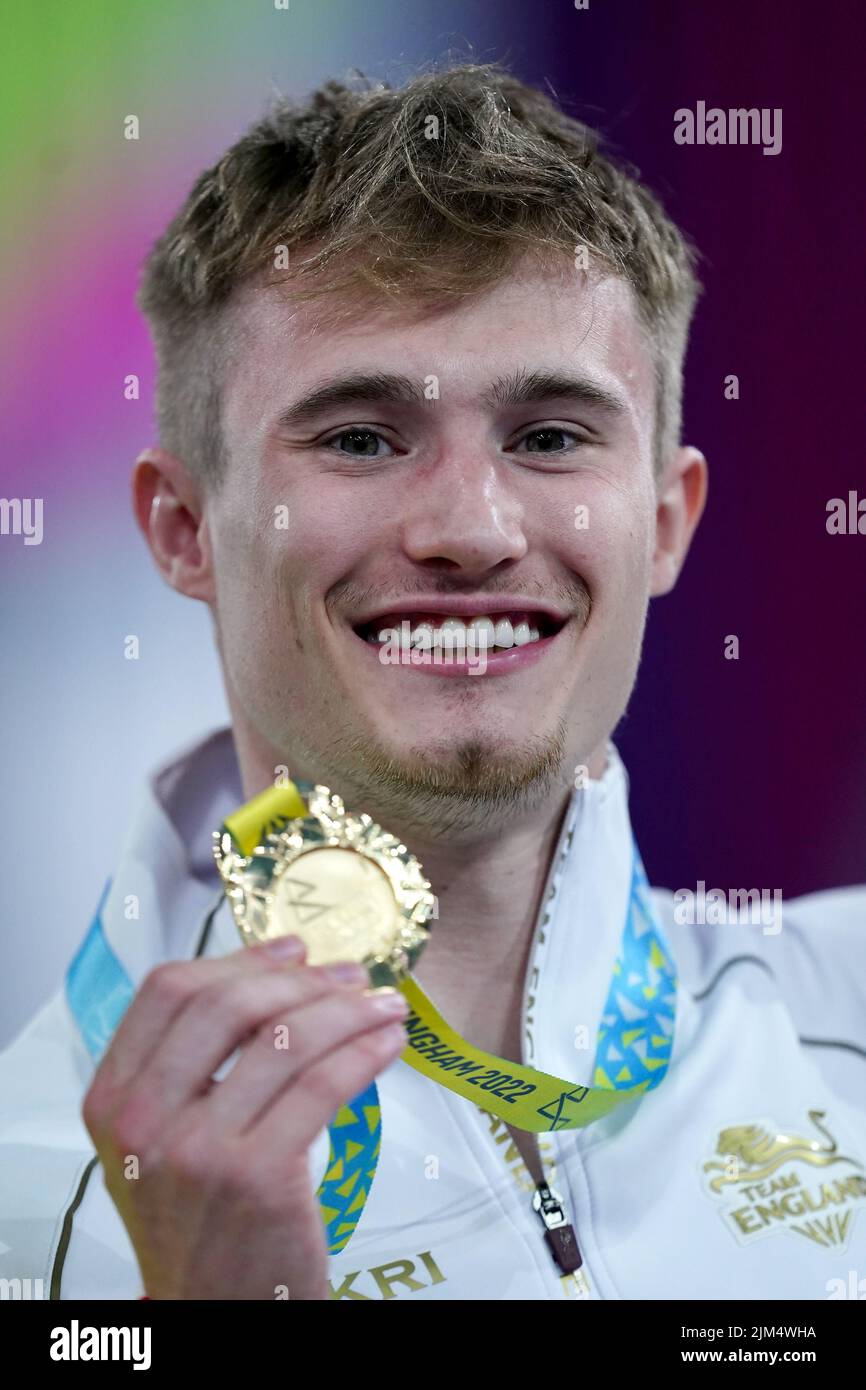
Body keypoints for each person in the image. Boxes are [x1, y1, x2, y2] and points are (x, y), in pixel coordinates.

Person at [1, 62, 863, 1303]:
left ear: (664, 523)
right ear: (185, 530)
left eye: (550, 435)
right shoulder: (33, 1210)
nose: (470, 527)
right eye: (358, 437)